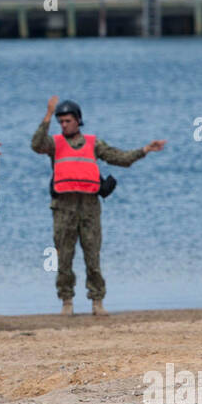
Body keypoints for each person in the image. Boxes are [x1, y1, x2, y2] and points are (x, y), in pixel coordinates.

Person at [31, 96, 166, 316]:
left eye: (67, 121)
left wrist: (145, 150)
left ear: (78, 121)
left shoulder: (94, 144)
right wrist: (47, 116)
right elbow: (36, 144)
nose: (64, 125)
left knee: (92, 256)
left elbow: (121, 158)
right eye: (61, 122)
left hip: (89, 207)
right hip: (63, 207)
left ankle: (97, 301)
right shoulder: (54, 144)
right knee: (64, 257)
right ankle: (67, 301)